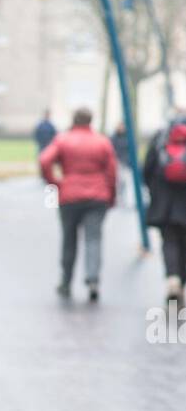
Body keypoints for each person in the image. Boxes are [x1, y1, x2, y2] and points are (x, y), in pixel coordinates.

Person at [40, 107, 117, 302]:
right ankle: (93, 279)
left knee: (69, 239)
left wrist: (55, 183)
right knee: (93, 238)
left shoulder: (63, 139)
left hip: (69, 195)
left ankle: (66, 281)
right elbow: (111, 171)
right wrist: (111, 195)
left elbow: (45, 160)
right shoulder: (102, 141)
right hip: (97, 196)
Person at [142, 114, 186, 306]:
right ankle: (181, 284)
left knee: (169, 242)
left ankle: (173, 279)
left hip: (165, 203)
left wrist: (154, 192)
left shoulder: (160, 139)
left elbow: (147, 170)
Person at [111, 120, 132, 207]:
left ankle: (128, 201)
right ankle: (119, 200)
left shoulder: (128, 137)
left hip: (127, 163)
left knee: (127, 182)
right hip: (118, 162)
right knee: (119, 183)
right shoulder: (114, 137)